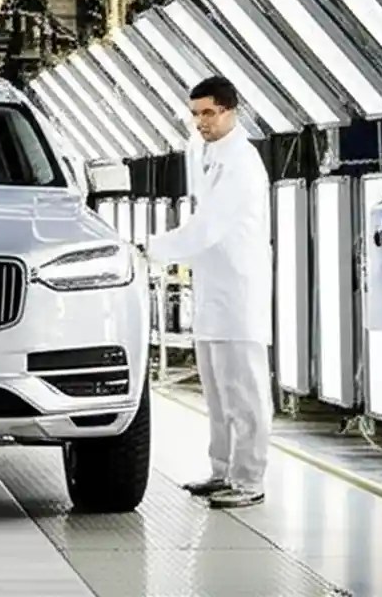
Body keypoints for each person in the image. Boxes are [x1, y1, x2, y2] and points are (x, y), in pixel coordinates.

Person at [144, 76, 274, 509]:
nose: (200, 121)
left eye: (209, 113)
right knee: (217, 391)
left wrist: (151, 249)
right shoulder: (207, 153)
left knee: (245, 391)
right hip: (213, 292)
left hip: (238, 294)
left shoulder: (242, 162)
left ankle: (249, 480)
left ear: (231, 110)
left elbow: (209, 227)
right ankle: (222, 471)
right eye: (196, 113)